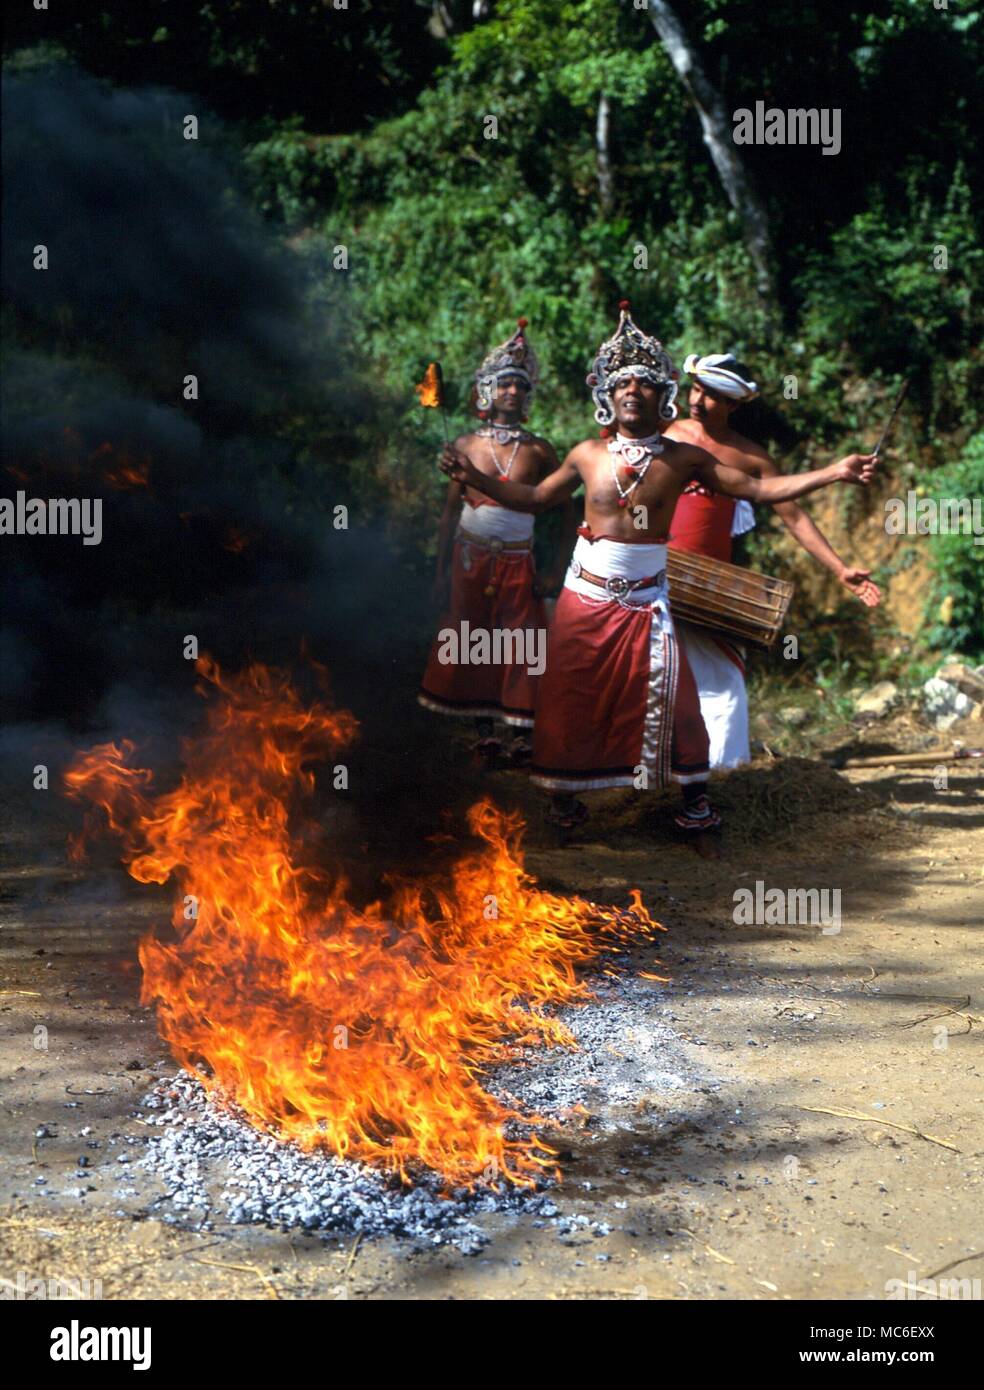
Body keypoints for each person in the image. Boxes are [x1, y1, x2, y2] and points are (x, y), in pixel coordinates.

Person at [439, 301, 878, 839]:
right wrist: (474, 479)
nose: (632, 391)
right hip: (586, 592)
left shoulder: (683, 459)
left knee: (675, 692)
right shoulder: (585, 455)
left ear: (662, 395)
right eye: (622, 383)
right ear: (606, 395)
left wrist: (834, 471)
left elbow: (761, 490)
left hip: (648, 598)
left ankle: (694, 802)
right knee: (568, 693)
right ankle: (565, 799)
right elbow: (531, 498)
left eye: (645, 383)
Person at [665, 352, 882, 768]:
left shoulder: (750, 458)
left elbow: (795, 517)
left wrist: (839, 569)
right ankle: (642, 775)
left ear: (733, 405)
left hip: (709, 587)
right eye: (696, 389)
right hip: (649, 575)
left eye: (711, 395)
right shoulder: (666, 433)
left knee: (722, 682)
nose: (697, 400)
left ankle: (725, 777)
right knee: (650, 674)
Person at [419, 318, 574, 761]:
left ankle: (522, 732)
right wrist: (440, 571)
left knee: (522, 640)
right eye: (504, 383)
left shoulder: (540, 451)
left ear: (529, 397)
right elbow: (450, 513)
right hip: (470, 560)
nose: (512, 392)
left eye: (520, 386)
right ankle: (483, 727)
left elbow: (564, 513)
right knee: (473, 637)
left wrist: (555, 569)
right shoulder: (465, 445)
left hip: (517, 563)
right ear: (488, 390)